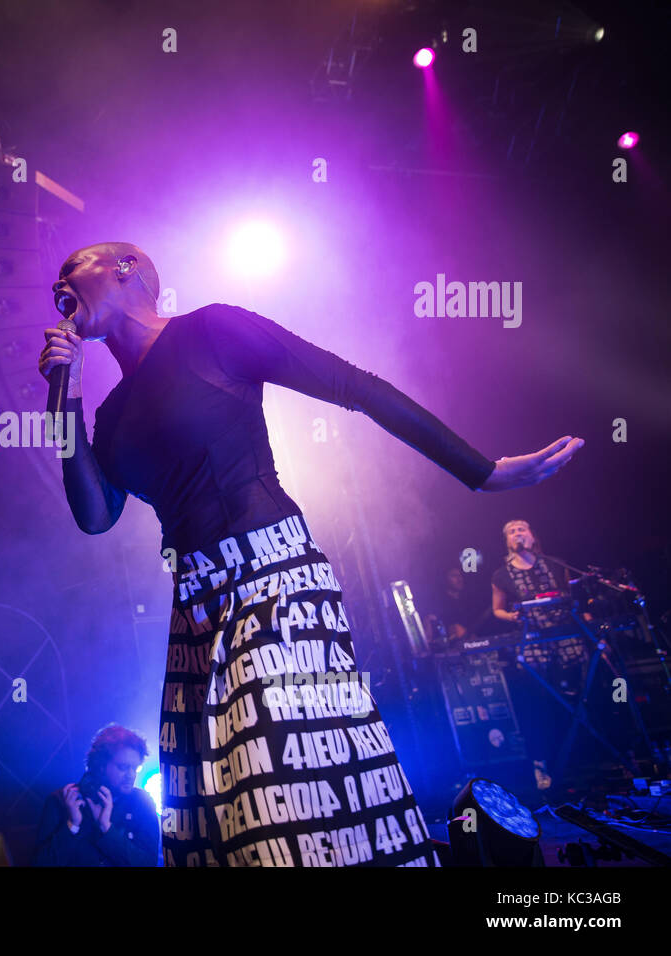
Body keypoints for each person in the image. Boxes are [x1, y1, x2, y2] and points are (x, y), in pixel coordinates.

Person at [39, 242, 584, 867]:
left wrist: (481, 471)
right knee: (217, 801)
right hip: (194, 605)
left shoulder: (210, 330)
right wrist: (66, 392)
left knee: (284, 770)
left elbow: (354, 385)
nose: (59, 281)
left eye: (71, 266)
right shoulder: (108, 418)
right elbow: (93, 515)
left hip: (274, 577)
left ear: (126, 268)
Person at [490, 519, 591, 789]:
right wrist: (512, 616)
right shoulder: (501, 575)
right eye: (511, 531)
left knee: (577, 694)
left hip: (565, 634)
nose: (517, 533)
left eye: (522, 529)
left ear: (532, 537)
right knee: (538, 700)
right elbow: (497, 609)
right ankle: (541, 765)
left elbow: (574, 597)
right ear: (507, 541)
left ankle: (583, 758)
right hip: (532, 639)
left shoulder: (556, 564)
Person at [33, 723, 160, 866]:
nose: (131, 775)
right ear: (101, 766)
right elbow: (41, 863)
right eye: (123, 767)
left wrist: (106, 827)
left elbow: (148, 863)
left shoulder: (142, 802)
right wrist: (72, 825)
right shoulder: (60, 801)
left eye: (135, 768)